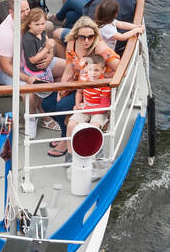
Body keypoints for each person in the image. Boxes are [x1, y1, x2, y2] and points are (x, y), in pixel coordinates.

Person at [41, 18, 119, 156]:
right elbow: (69, 69)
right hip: (78, 86)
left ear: (95, 35)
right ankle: (66, 134)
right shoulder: (72, 44)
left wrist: (107, 80)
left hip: (95, 90)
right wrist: (61, 90)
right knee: (47, 103)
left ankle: (66, 140)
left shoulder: (99, 47)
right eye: (82, 37)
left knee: (62, 107)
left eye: (90, 36)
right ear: (76, 35)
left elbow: (119, 67)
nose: (86, 41)